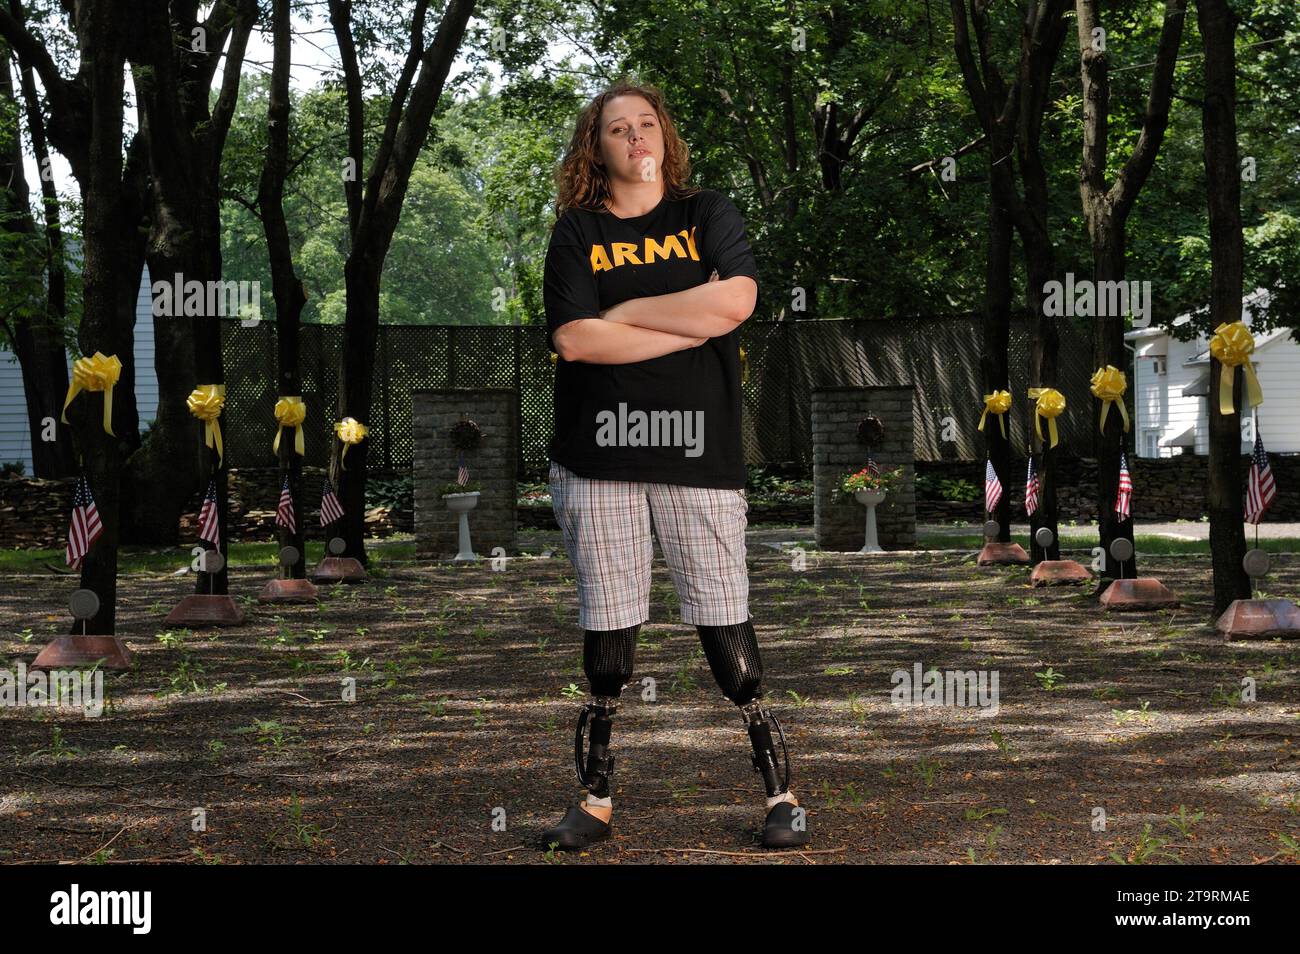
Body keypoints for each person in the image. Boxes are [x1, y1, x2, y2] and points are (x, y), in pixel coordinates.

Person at [538, 81, 811, 852]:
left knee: (729, 630)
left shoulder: (705, 213)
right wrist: (684, 319)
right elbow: (577, 342)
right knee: (610, 640)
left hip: (698, 450)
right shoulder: (578, 231)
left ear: (665, 135)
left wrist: (623, 313)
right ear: (596, 148)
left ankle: (781, 795)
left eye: (645, 124)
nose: (633, 139)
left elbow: (738, 302)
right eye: (616, 129)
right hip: (599, 458)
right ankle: (593, 799)